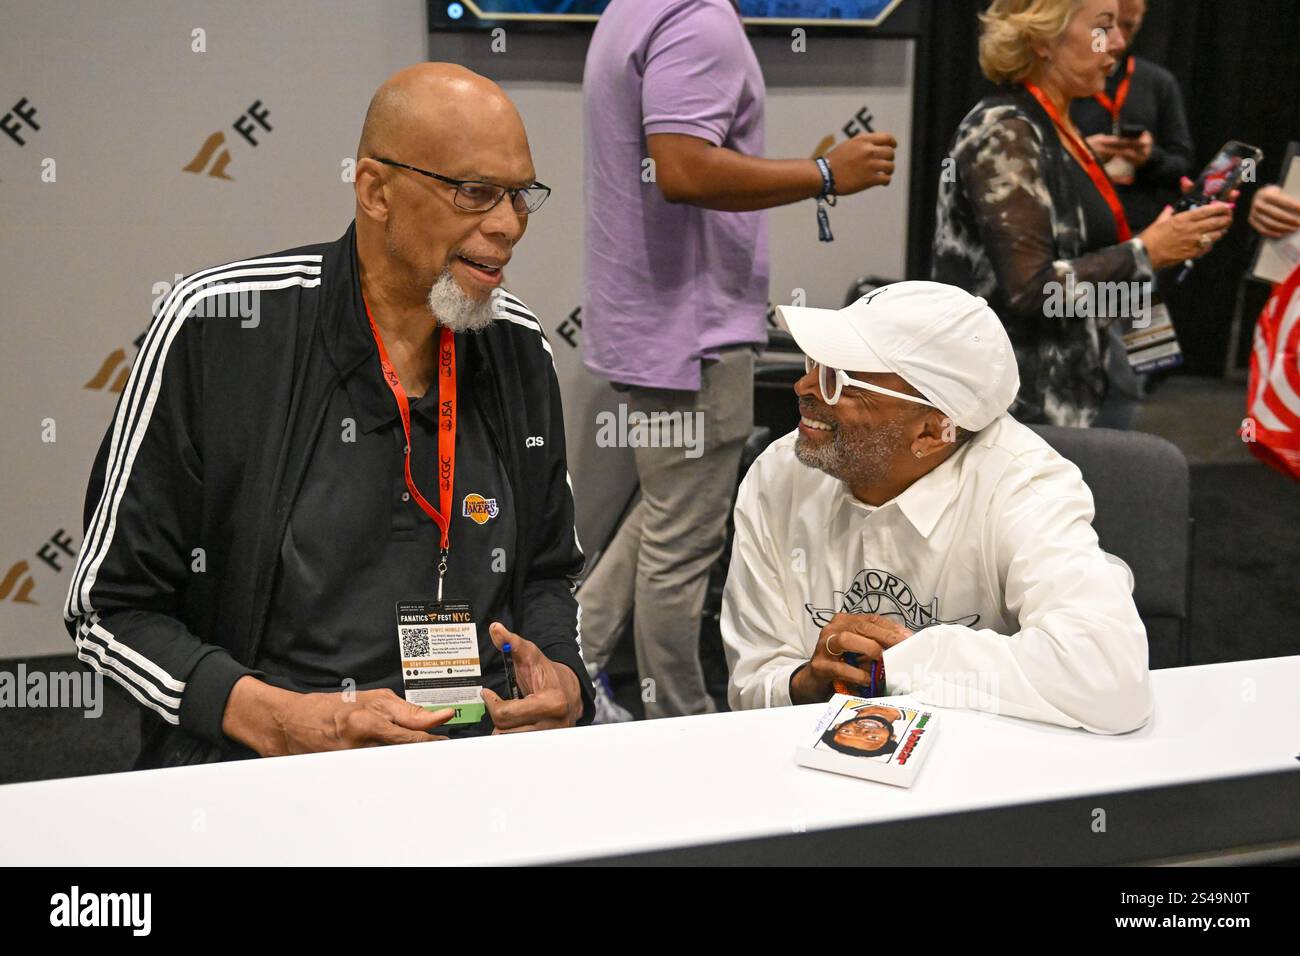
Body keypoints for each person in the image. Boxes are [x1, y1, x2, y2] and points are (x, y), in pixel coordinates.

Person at [64, 64, 592, 769]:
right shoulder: (221, 326)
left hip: (475, 773)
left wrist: (559, 670)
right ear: (375, 190)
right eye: (474, 193)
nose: (507, 226)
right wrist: (279, 720)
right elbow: (108, 610)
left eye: (521, 196)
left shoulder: (517, 343)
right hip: (266, 781)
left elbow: (547, 574)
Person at [580, 0, 898, 720]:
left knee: (666, 517)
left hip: (652, 322)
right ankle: (679, 721)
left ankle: (579, 661)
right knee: (679, 545)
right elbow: (683, 170)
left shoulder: (636, 10)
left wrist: (795, 171)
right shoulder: (700, 21)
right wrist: (822, 173)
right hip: (689, 331)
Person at [720, 281, 1153, 735]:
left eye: (836, 379)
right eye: (814, 362)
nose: (804, 386)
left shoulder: (1023, 487)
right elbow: (750, 681)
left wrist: (907, 660)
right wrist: (805, 683)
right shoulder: (781, 475)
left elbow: (1111, 680)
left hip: (985, 767)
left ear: (931, 432)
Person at [933, 0, 1235, 429]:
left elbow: (1081, 250)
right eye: (1103, 27)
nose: (1116, 43)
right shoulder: (1007, 131)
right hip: (1022, 411)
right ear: (1042, 38)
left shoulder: (1060, 127)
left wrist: (1170, 232)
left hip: (1077, 384)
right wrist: (1146, 252)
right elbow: (1031, 291)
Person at [1071, 0, 1193, 233]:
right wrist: (1082, 155)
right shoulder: (1068, 82)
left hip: (1140, 227)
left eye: (1127, 26)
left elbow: (1183, 161)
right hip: (1078, 225)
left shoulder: (1159, 83)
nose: (1117, 40)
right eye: (1107, 25)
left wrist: (1149, 157)